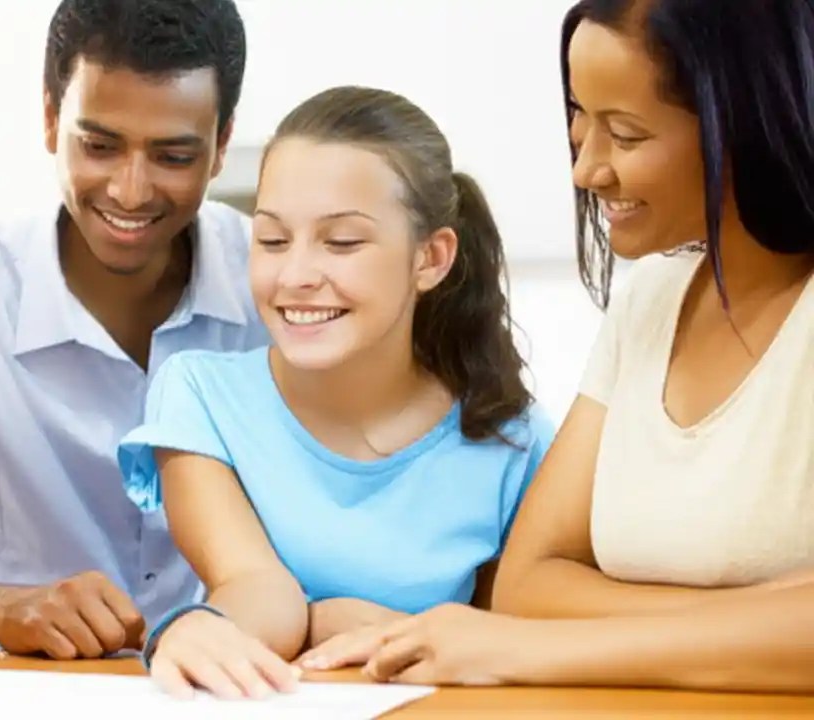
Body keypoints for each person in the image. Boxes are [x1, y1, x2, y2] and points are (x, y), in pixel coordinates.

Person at [303, 0, 814, 693]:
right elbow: (528, 582)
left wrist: (529, 651)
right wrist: (763, 622)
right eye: (580, 116)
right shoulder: (649, 301)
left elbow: (522, 627)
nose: (586, 168)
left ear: (745, 122)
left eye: (626, 135)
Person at [0, 0, 267, 661]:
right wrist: (2, 608)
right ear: (50, 118)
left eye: (173, 155)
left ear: (221, 145)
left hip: (236, 682)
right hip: (23, 688)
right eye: (99, 145)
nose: (130, 189)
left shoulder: (275, 288)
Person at [116, 85, 555, 699]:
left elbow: (515, 645)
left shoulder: (516, 441)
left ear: (430, 258)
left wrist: (377, 629)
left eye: (342, 242)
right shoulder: (199, 395)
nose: (295, 275)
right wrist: (198, 627)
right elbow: (254, 584)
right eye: (272, 240)